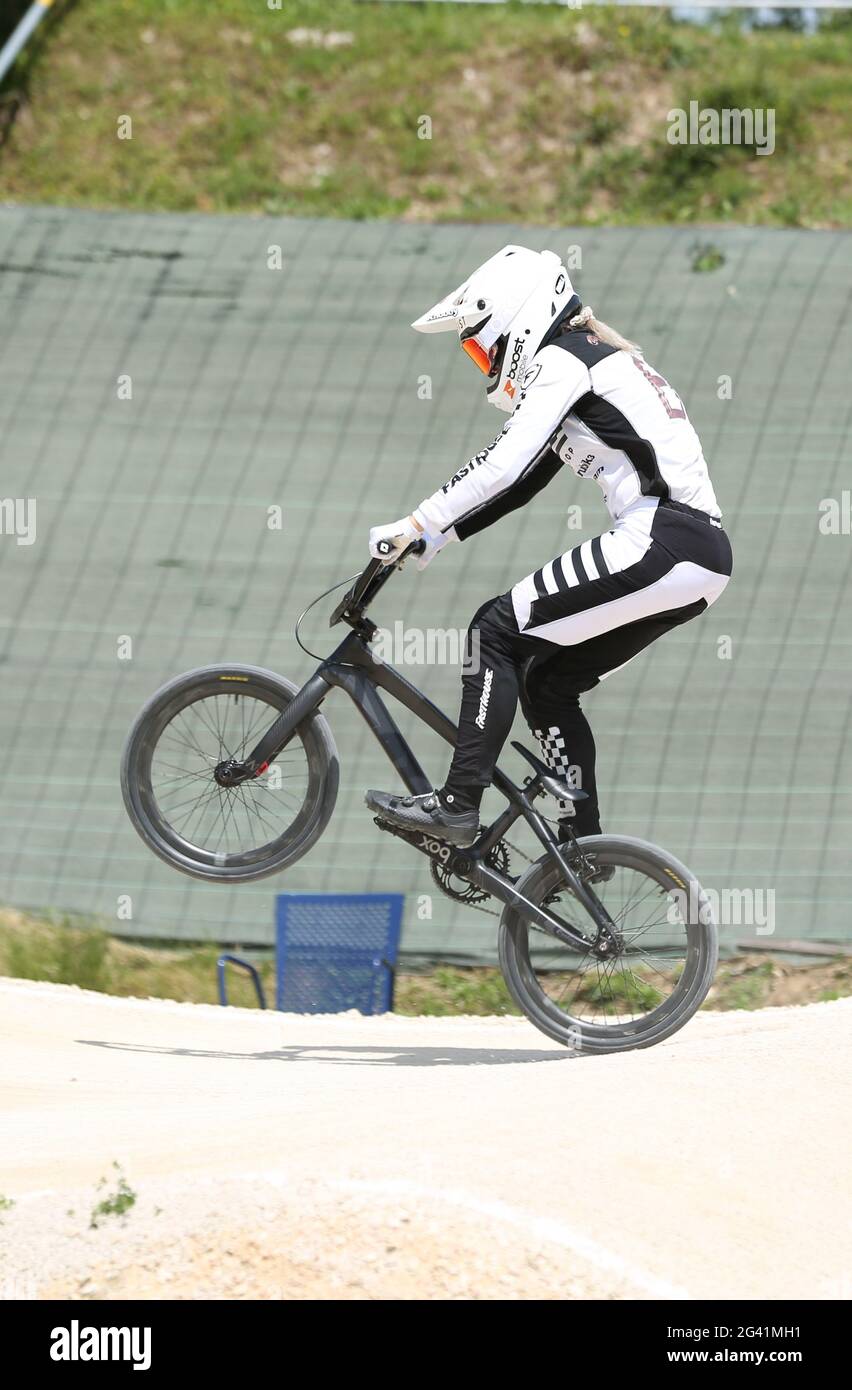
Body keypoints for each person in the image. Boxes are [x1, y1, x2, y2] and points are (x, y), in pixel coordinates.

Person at [366, 245, 732, 849]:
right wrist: (435, 536)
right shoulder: (589, 360)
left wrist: (417, 519)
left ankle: (458, 804)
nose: (482, 360)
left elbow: (504, 464)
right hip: (696, 556)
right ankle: (582, 849)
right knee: (548, 686)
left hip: (660, 538)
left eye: (480, 343)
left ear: (516, 317)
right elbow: (525, 482)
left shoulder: (566, 361)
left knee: (493, 631)